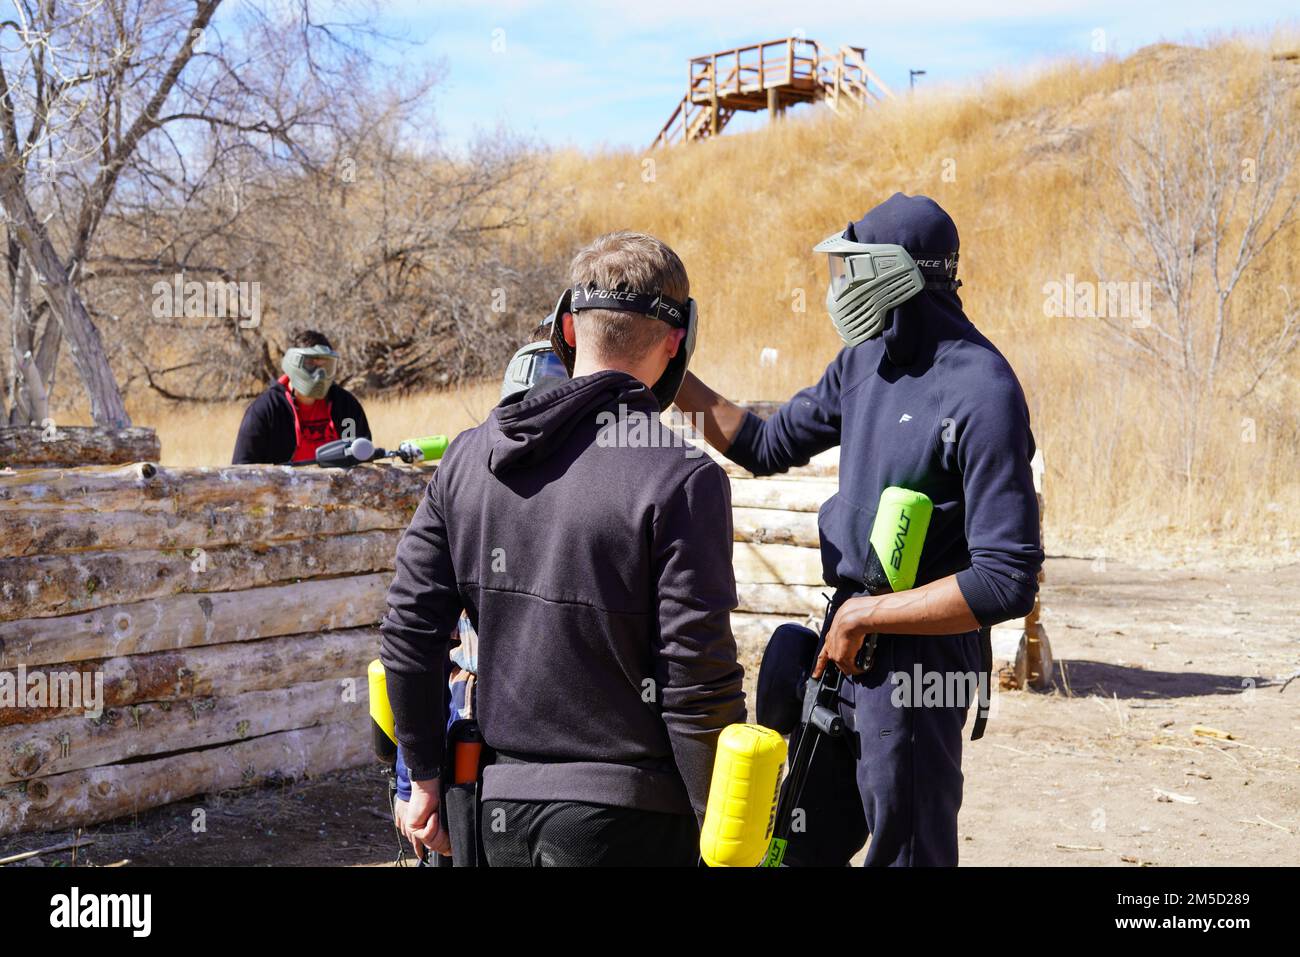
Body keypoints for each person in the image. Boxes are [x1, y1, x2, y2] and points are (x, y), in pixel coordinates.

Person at [673, 193, 1043, 867]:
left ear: (896, 273)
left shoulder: (984, 392)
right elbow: (762, 443)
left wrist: (870, 614)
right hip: (843, 648)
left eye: (854, 269)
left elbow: (1007, 578)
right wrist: (671, 376)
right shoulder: (864, 362)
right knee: (794, 846)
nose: (840, 287)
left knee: (909, 855)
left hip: (919, 671)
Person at [380, 231, 746, 867]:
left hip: (492, 816)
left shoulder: (469, 457)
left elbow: (409, 632)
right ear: (674, 342)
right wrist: (718, 832)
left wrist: (425, 779)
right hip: (629, 821)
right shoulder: (684, 479)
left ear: (568, 330)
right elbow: (695, 680)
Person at [231, 330, 371, 464]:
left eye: (325, 366)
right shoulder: (267, 410)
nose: (319, 374)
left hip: (336, 487)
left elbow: (360, 456)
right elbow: (243, 468)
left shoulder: (345, 406)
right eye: (310, 365)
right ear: (293, 365)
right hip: (282, 488)